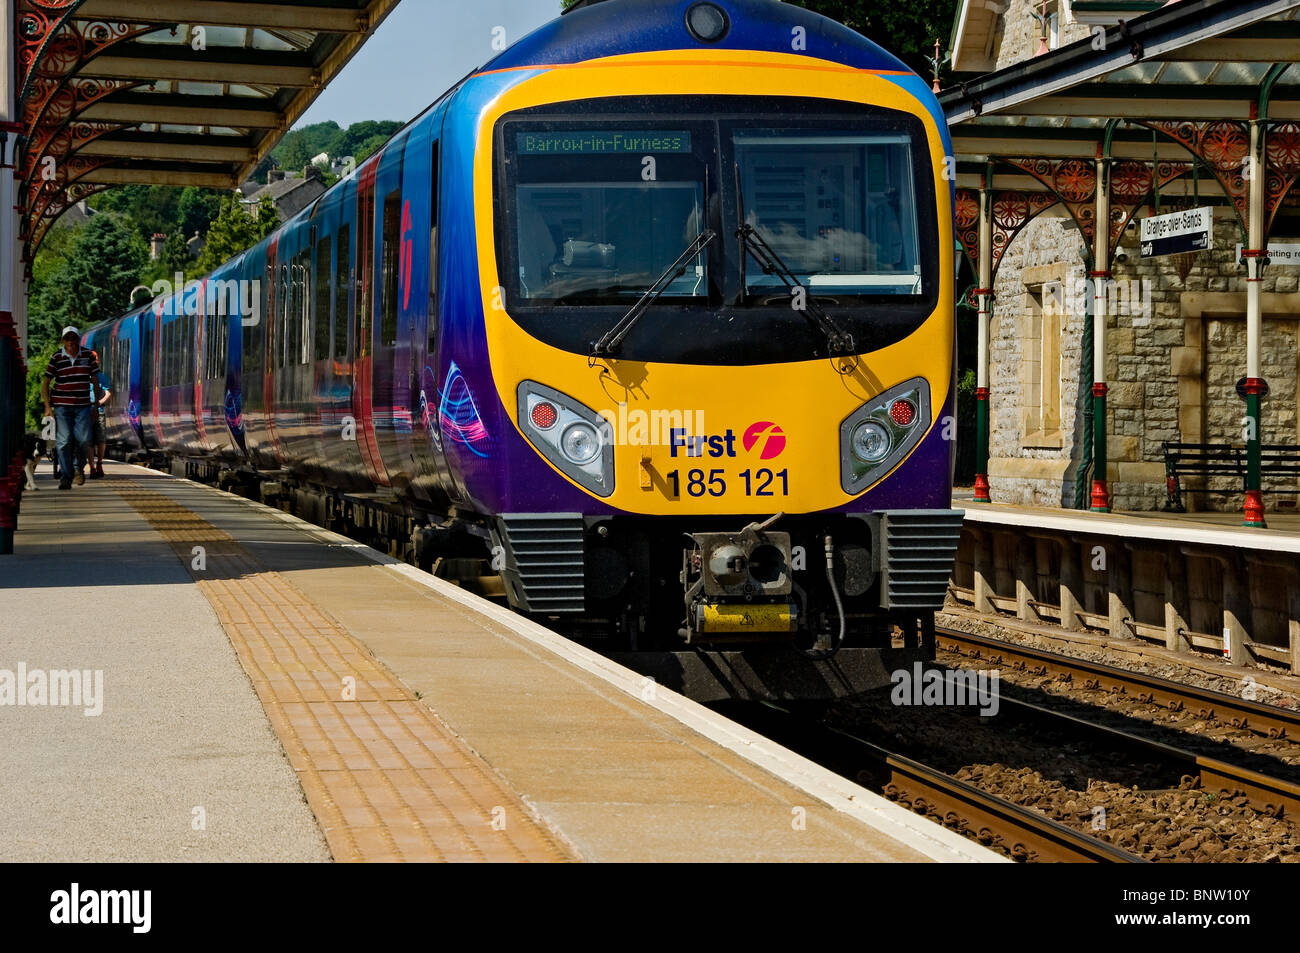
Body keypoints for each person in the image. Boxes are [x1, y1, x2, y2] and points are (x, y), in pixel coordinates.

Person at [41, 326, 99, 491]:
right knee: (64, 442)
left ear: (78, 340)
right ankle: (66, 477)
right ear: (63, 341)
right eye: (67, 339)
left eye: (73, 338)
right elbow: (46, 383)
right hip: (62, 406)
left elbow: (94, 381)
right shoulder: (56, 357)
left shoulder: (88, 356)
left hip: (83, 405)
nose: (71, 342)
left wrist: (96, 405)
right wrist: (47, 406)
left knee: (84, 440)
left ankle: (77, 468)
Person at [90, 364, 112, 479]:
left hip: (99, 411)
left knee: (101, 439)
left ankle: (99, 464)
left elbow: (108, 393)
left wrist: (99, 402)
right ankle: (92, 467)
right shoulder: (82, 377)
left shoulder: (101, 377)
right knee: (89, 441)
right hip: (85, 412)